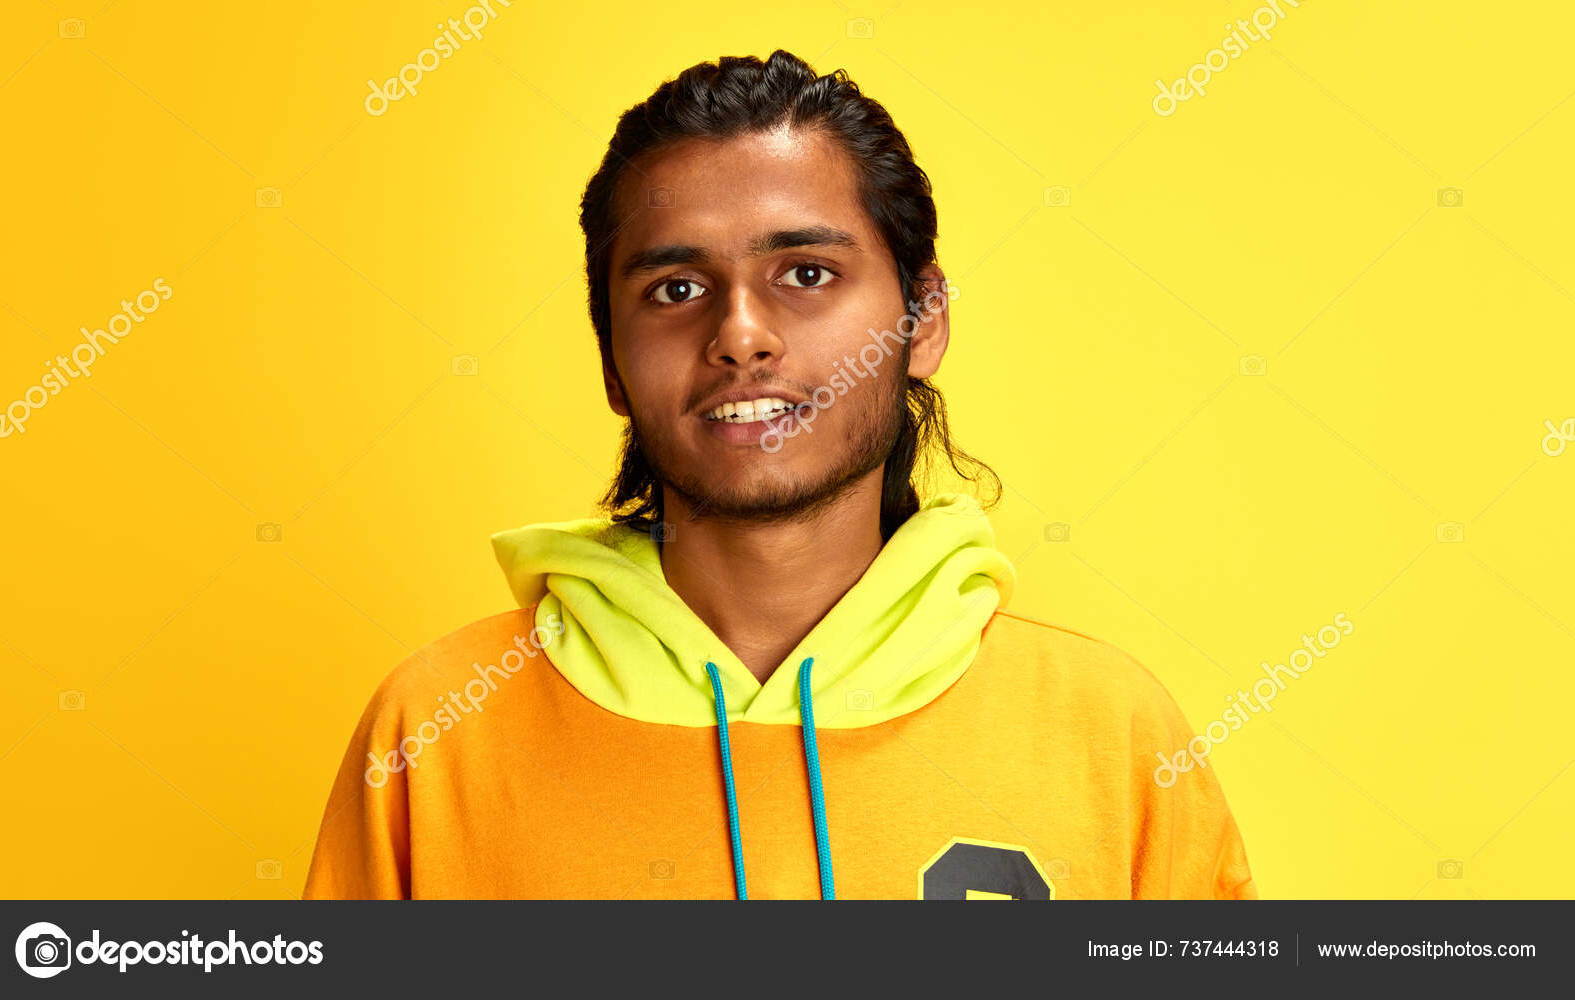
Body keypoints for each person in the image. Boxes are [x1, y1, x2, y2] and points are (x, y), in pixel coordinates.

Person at [303, 49, 1255, 900]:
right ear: (609, 361)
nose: (740, 336)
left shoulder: (1114, 735)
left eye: (804, 273)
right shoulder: (433, 731)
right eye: (675, 290)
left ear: (921, 318)